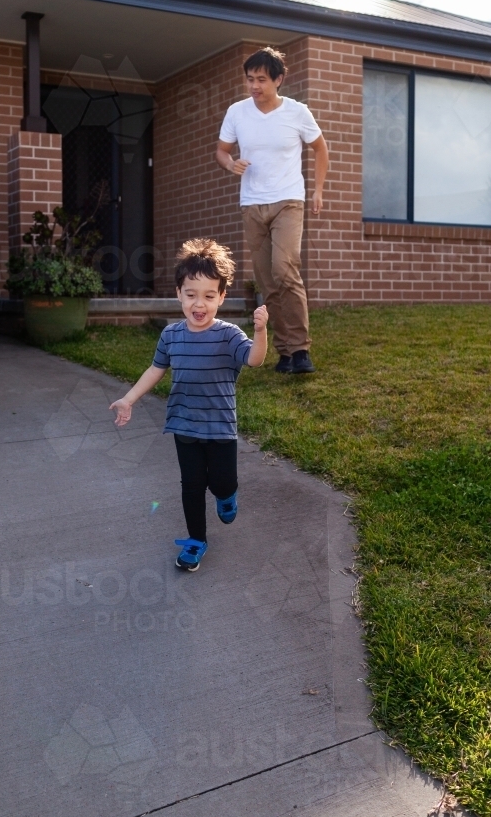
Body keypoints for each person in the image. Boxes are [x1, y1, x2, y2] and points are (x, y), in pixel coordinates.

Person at [109, 238, 269, 572]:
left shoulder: (229, 335)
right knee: (192, 485)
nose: (200, 304)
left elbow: (254, 360)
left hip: (220, 427)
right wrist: (129, 398)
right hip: (184, 424)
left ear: (221, 297)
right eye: (191, 294)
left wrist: (261, 330)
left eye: (209, 296)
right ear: (179, 293)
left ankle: (226, 495)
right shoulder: (171, 335)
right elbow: (156, 369)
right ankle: (196, 540)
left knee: (221, 482)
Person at [216, 47, 329, 374]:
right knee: (267, 280)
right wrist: (230, 163)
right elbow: (222, 152)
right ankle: (285, 351)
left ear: (278, 79)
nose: (254, 86)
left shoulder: (297, 112)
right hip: (252, 203)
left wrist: (318, 190)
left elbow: (320, 149)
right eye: (250, 79)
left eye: (261, 80)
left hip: (288, 201)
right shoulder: (237, 112)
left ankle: (301, 349)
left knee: (284, 269)